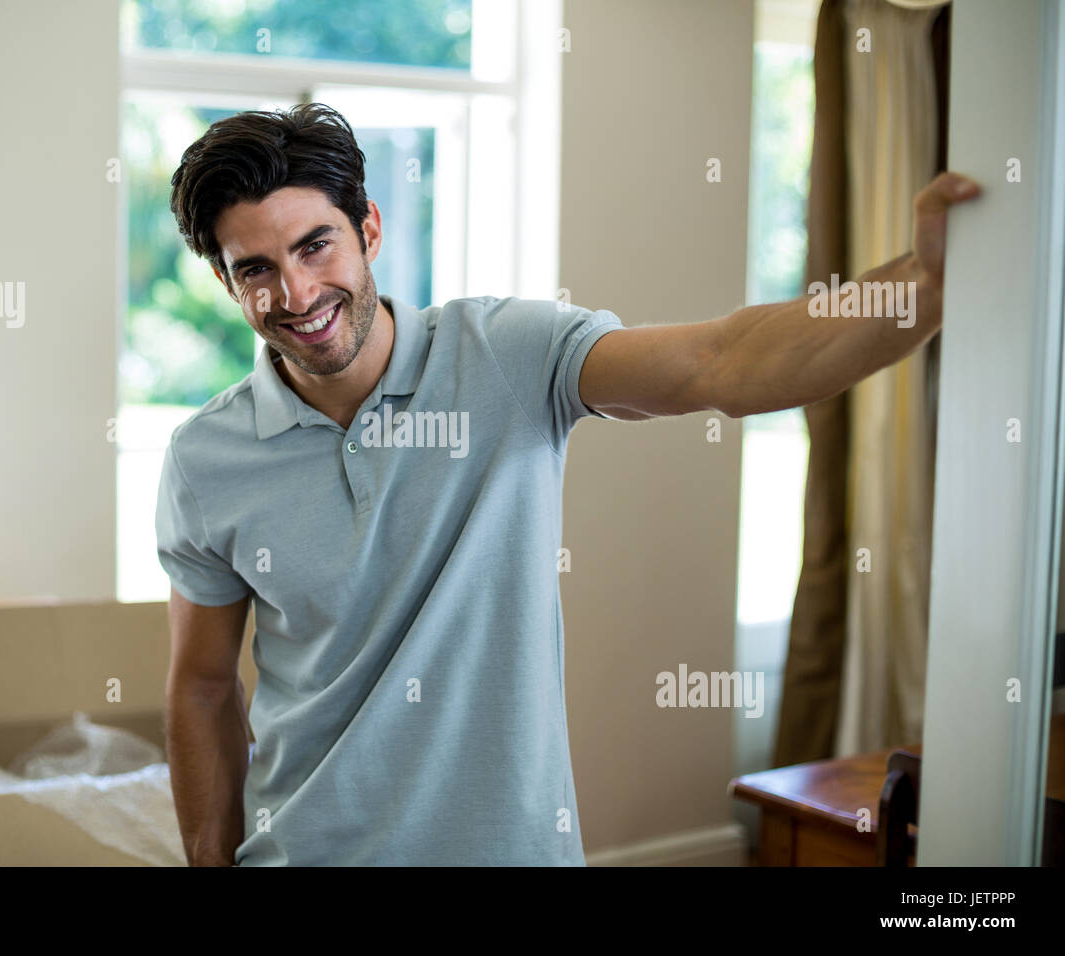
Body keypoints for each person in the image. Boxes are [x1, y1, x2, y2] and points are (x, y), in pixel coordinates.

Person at [156, 102, 980, 866]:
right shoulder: (206, 459)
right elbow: (200, 687)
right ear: (228, 284)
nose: (296, 293)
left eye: (315, 245)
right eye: (256, 267)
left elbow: (723, 363)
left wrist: (924, 283)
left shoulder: (507, 356)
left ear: (368, 229)